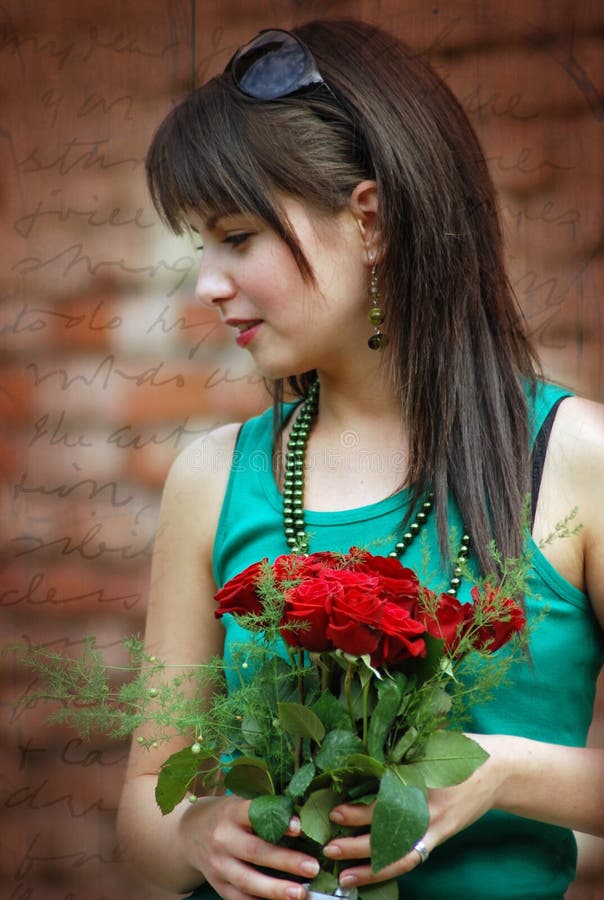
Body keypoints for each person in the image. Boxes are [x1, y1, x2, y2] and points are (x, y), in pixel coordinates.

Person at [117, 19, 604, 900]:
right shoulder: (215, 476)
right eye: (201, 245)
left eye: (237, 237)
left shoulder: (577, 459)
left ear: (369, 221)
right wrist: (194, 831)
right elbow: (143, 823)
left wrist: (499, 772)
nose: (208, 285)